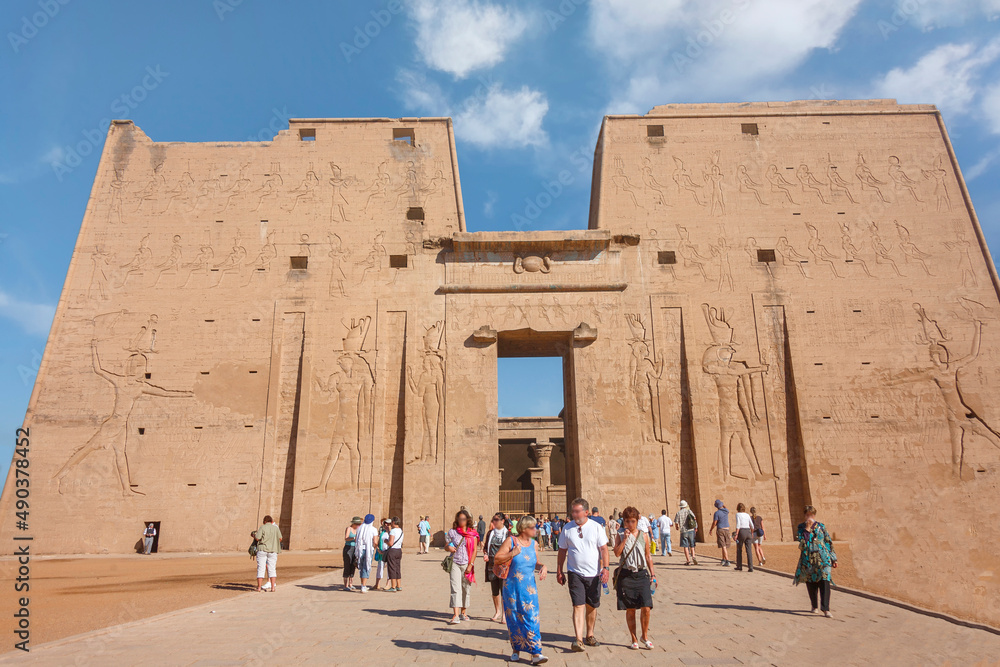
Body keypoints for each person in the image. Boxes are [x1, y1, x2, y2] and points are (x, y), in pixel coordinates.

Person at [493, 515, 549, 665]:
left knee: (532, 617)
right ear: (524, 529)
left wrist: (542, 566)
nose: (536, 529)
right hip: (511, 587)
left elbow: (535, 562)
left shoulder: (534, 544)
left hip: (529, 589)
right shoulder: (511, 541)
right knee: (514, 618)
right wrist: (512, 553)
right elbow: (497, 559)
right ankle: (516, 649)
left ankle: (536, 653)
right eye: (533, 527)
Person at [557, 498, 610, 653]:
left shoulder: (596, 527)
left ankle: (590, 634)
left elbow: (604, 549)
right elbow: (562, 551)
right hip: (575, 572)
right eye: (572, 511)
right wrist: (560, 570)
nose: (574, 514)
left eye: (577, 511)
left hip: (594, 573)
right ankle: (578, 639)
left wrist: (606, 568)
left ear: (586, 512)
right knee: (578, 605)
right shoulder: (567, 528)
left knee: (592, 605)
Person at [613, 507, 655, 650]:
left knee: (646, 607)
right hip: (626, 575)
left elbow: (648, 556)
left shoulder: (643, 535)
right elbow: (617, 553)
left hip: (641, 574)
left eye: (633, 521)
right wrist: (625, 539)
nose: (630, 524)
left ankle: (645, 636)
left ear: (637, 521)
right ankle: (634, 639)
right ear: (623, 521)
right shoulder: (619, 535)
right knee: (630, 609)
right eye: (627, 521)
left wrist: (653, 575)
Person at [794, 505, 838, 617]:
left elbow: (828, 541)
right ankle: (814, 606)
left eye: (812, 515)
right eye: (808, 515)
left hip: (823, 558)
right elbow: (803, 543)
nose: (810, 517)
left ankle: (826, 608)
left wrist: (833, 558)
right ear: (804, 515)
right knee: (812, 582)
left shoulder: (821, 526)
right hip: (808, 559)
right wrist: (807, 529)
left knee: (825, 580)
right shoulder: (801, 528)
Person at [446, 509, 479, 624]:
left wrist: (471, 564)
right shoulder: (452, 532)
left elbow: (475, 550)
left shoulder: (472, 533)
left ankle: (463, 612)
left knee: (466, 588)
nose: (461, 521)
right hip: (455, 562)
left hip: (466, 563)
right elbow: (446, 545)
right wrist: (448, 548)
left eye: (463, 519)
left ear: (467, 520)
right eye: (459, 519)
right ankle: (455, 615)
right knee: (455, 588)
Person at [482, 512, 511, 623]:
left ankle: (504, 614)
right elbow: (485, 547)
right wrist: (485, 554)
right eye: (493, 519)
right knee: (495, 591)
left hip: (503, 566)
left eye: (496, 519)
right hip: (491, 565)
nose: (493, 521)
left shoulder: (508, 534)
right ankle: (497, 611)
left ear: (502, 521)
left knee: (504, 590)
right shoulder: (490, 533)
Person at [253, 515, 282, 592]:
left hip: (262, 550)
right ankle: (273, 587)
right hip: (273, 551)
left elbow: (257, 538)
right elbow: (280, 538)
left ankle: (259, 588)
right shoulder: (276, 528)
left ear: (265, 521)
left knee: (261, 568)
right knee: (272, 568)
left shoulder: (262, 527)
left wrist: (254, 535)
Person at [354, 514, 378, 593]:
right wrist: (375, 547)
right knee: (366, 567)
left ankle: (362, 584)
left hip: (360, 550)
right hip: (368, 550)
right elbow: (375, 541)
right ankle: (363, 586)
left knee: (361, 567)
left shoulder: (360, 528)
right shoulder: (373, 529)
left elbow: (356, 540)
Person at [674, 500, 698, 565]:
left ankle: (688, 560)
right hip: (690, 530)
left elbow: (676, 522)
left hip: (683, 531)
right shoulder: (689, 511)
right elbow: (694, 518)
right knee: (692, 545)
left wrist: (677, 527)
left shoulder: (678, 513)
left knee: (685, 546)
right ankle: (693, 556)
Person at [709, 499, 732, 566]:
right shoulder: (726, 511)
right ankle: (723, 559)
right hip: (727, 529)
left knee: (723, 546)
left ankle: (727, 560)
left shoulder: (717, 513)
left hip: (720, 529)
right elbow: (726, 507)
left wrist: (711, 529)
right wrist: (722, 504)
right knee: (724, 545)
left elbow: (714, 522)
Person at [733, 503, 754, 572]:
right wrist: (752, 533)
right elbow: (752, 526)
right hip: (748, 531)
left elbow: (738, 524)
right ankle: (750, 567)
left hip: (741, 532)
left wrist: (736, 534)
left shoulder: (738, 514)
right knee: (749, 550)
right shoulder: (747, 515)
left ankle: (739, 566)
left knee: (739, 549)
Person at [386, 516, 404, 591]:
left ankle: (393, 586)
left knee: (392, 568)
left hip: (392, 550)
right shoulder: (401, 531)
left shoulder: (393, 531)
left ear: (393, 522)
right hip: (399, 550)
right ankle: (398, 585)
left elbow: (390, 543)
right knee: (397, 568)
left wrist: (386, 541)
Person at [343, 516, 362, 590]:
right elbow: (346, 538)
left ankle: (351, 584)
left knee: (353, 564)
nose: (358, 525)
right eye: (357, 524)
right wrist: (354, 538)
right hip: (348, 548)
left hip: (355, 548)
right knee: (347, 565)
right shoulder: (349, 529)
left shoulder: (358, 530)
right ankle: (345, 585)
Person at [374, 519, 391, 590]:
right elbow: (377, 542)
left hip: (389, 553)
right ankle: (377, 584)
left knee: (389, 569)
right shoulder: (382, 533)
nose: (386, 525)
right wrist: (378, 549)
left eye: (388, 524)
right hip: (381, 553)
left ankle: (388, 584)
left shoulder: (392, 533)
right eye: (385, 524)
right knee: (380, 568)